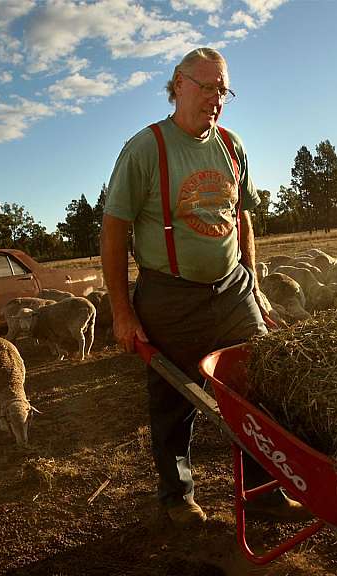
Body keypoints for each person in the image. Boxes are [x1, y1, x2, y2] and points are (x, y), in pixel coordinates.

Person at [100, 47, 310, 528]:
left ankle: (262, 492)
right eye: (206, 86)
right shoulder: (146, 148)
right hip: (170, 295)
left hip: (233, 290)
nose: (216, 98)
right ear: (177, 85)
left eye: (223, 89)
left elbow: (243, 219)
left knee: (261, 384)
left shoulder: (232, 146)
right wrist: (121, 311)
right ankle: (177, 497)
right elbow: (113, 233)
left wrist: (254, 285)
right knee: (175, 401)